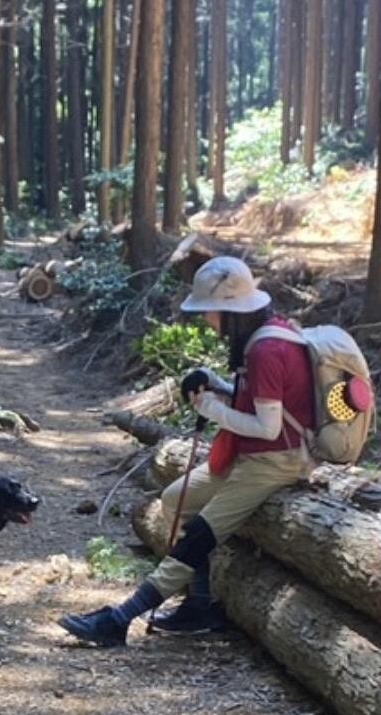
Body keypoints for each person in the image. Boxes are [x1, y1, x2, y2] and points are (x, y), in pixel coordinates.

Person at [58, 254, 316, 646]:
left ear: (230, 311)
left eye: (210, 313)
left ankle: (119, 619)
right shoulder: (262, 335)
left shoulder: (266, 350)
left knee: (198, 534)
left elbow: (269, 427)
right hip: (252, 452)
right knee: (175, 499)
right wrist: (217, 384)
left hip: (275, 461)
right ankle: (199, 604)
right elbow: (262, 402)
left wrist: (213, 409)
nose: (207, 321)